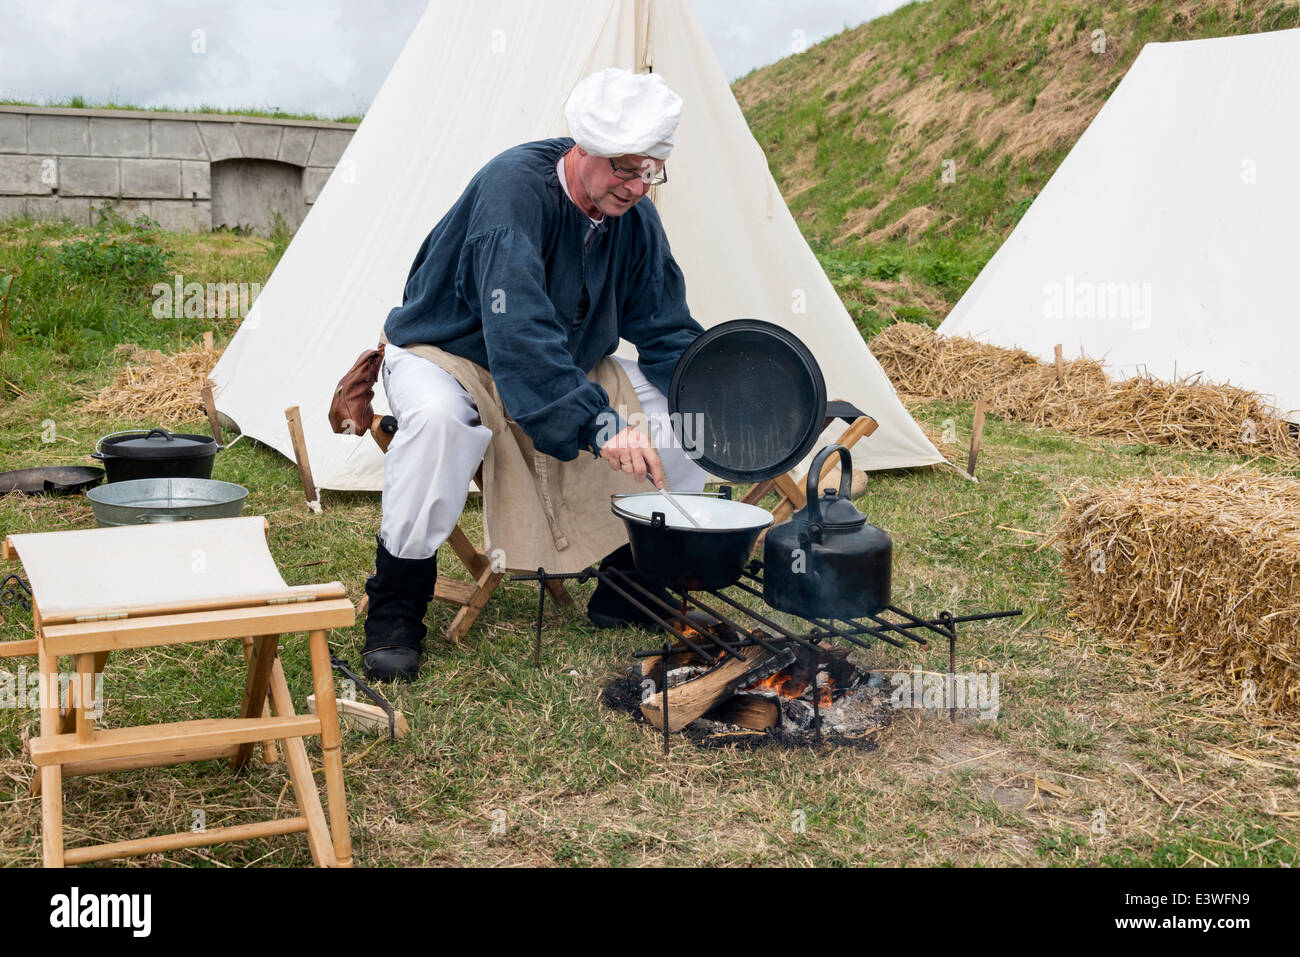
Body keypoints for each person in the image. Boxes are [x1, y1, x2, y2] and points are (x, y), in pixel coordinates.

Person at [363, 68, 708, 682]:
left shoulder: (635, 217)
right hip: (451, 353)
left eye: (649, 170)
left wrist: (717, 386)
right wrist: (599, 424)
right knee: (439, 424)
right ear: (582, 150)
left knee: (685, 413)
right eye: (623, 169)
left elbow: (662, 324)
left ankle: (629, 579)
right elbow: (517, 330)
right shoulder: (513, 194)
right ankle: (396, 603)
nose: (635, 186)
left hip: (563, 360)